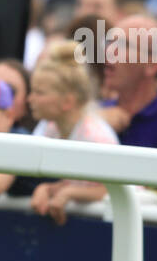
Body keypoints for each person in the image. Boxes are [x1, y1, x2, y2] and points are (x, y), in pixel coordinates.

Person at [27, 41, 120, 225]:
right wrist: (48, 189)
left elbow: (117, 188)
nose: (31, 99)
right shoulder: (49, 127)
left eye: (39, 93)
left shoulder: (96, 137)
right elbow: (78, 182)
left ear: (68, 101)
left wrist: (69, 193)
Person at [98, 14, 157, 151]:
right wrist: (96, 122)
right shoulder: (96, 113)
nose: (108, 52)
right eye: (108, 43)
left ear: (152, 64)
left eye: (122, 45)